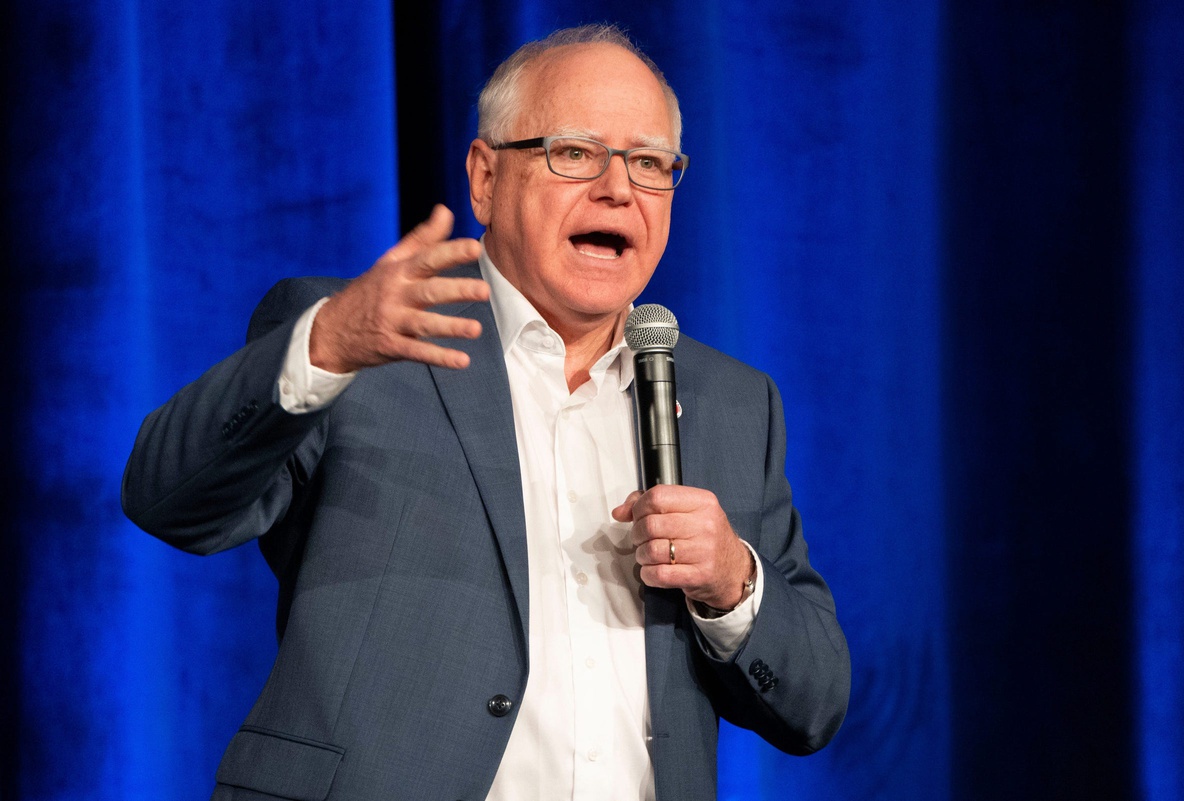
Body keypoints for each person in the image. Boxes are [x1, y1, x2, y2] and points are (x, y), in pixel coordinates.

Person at [122, 24, 850, 801]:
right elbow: (171, 503)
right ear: (484, 179)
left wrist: (733, 583)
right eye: (573, 152)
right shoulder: (368, 341)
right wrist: (324, 347)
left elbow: (813, 705)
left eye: (648, 163)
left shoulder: (734, 401)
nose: (617, 189)